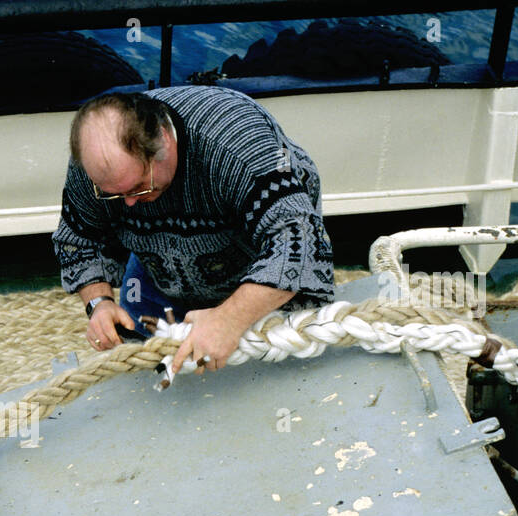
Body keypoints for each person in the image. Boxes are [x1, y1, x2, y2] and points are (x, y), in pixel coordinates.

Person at [52, 87, 334, 378]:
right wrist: (99, 304)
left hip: (256, 276)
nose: (130, 203)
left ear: (164, 140)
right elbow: (79, 240)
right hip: (156, 271)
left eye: (139, 187)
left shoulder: (235, 139)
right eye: (114, 195)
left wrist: (229, 319)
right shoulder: (95, 164)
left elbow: (299, 243)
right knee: (158, 383)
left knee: (267, 383)